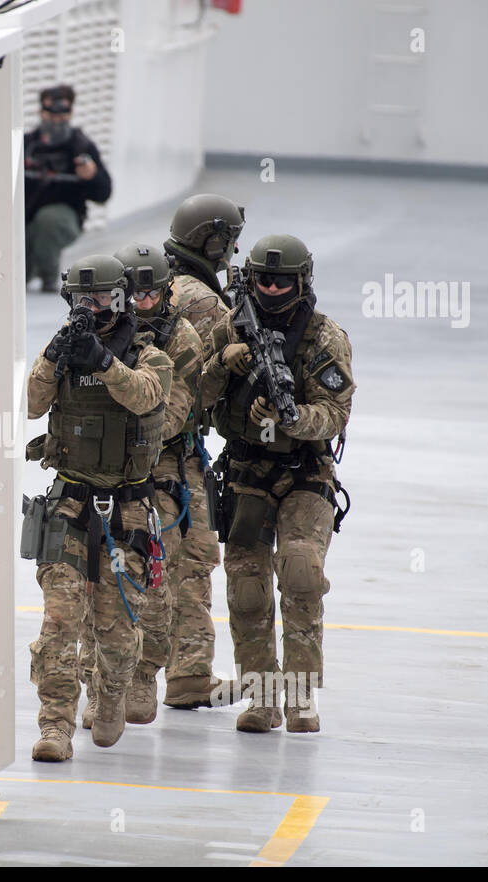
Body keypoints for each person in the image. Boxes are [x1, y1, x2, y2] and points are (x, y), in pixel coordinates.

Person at [198, 235, 354, 733]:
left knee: (303, 573)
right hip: (247, 470)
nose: (270, 288)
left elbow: (334, 414)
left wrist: (290, 418)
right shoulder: (230, 327)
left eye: (281, 281)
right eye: (262, 280)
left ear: (301, 282)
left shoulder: (324, 337)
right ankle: (262, 697)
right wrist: (225, 365)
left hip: (305, 472)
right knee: (247, 589)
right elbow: (195, 396)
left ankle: (301, 696)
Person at [23, 254, 172, 760]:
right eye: (82, 300)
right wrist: (56, 354)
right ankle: (54, 726)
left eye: (104, 299)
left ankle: (111, 696)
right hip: (69, 505)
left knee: (114, 632)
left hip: (126, 511)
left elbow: (148, 397)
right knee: (58, 625)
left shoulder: (150, 354)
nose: (93, 308)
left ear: (123, 298)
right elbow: (31, 402)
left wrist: (107, 362)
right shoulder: (63, 352)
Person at [77, 242, 203, 727]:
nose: (147, 303)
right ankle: (97, 683)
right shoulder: (97, 330)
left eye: (155, 293)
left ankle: (143, 675)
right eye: (138, 294)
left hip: (163, 466)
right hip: (103, 469)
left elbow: (170, 415)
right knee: (93, 577)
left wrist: (122, 407)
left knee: (155, 576)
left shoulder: (181, 339)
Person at [158, 193, 248, 709]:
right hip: (176, 454)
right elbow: (219, 385)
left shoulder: (157, 282)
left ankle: (182, 675)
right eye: (229, 244)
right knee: (191, 559)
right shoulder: (206, 301)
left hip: (143, 451)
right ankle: (186, 674)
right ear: (213, 242)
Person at [23, 85, 113, 292]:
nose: (56, 119)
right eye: (50, 112)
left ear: (70, 113)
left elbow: (104, 193)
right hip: (26, 218)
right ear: (41, 112)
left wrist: (91, 176)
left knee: (49, 220)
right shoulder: (27, 145)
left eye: (62, 113)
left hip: (63, 219)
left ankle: (48, 277)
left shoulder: (81, 146)